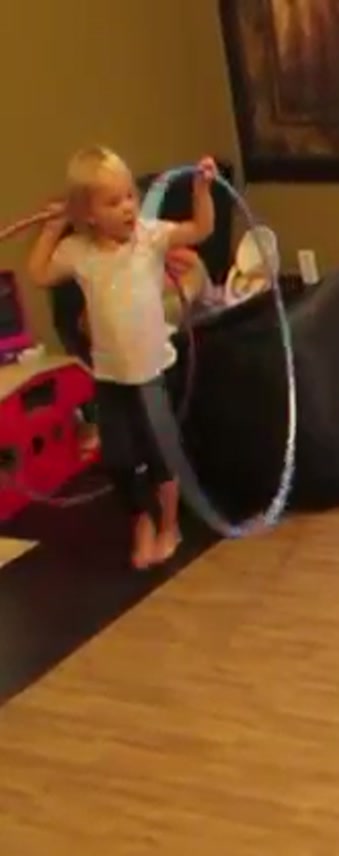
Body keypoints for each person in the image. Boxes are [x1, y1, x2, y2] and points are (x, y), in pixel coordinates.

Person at [25, 147, 216, 569]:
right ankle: (141, 521)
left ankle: (169, 524)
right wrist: (52, 229)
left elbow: (200, 229)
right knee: (119, 459)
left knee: (160, 454)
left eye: (129, 195)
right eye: (114, 202)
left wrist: (202, 188)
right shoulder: (79, 251)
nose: (129, 207)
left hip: (152, 374)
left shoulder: (150, 236)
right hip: (111, 377)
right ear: (88, 214)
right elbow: (38, 274)